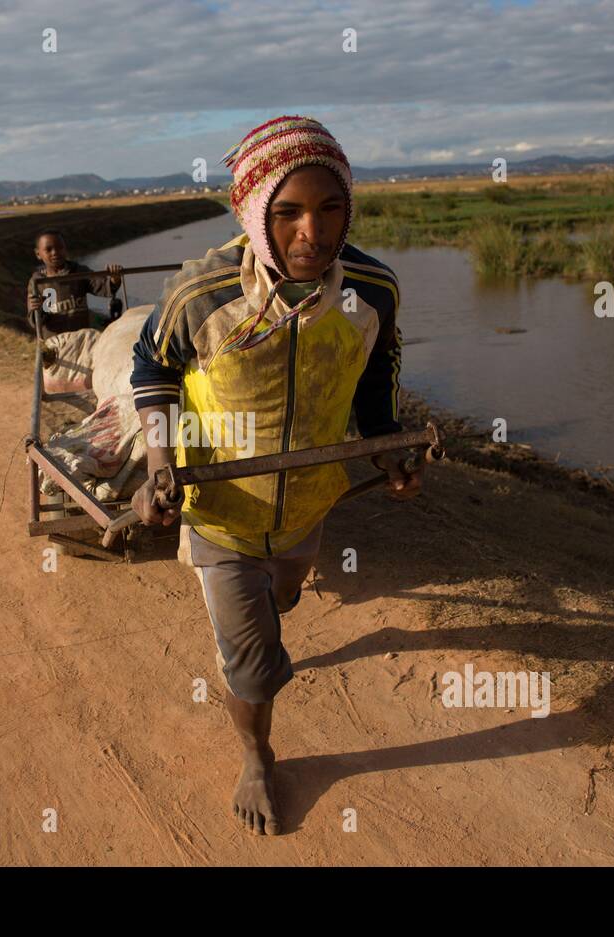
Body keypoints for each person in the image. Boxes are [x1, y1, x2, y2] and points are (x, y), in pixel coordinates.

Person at [128, 116, 425, 836]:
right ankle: (258, 756)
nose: (312, 235)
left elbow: (377, 375)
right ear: (253, 212)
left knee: (287, 590)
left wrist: (388, 444)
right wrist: (161, 461)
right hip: (221, 507)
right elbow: (153, 370)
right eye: (287, 213)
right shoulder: (200, 292)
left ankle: (278, 600)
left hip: (309, 502)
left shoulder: (371, 290)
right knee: (255, 663)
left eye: (331, 210)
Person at [26, 230, 123, 335]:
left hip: (82, 338)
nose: (55, 252)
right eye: (48, 249)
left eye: (59, 247)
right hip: (55, 342)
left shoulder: (79, 272)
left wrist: (114, 278)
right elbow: (36, 321)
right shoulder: (37, 282)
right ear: (38, 254)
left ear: (65, 248)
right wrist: (36, 308)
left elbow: (103, 287)